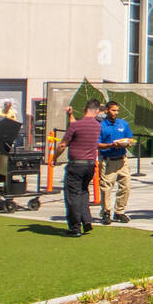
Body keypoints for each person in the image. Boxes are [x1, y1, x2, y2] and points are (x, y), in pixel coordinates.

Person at [56, 98, 103, 236]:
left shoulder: (76, 126)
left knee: (72, 196)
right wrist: (70, 115)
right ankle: (86, 220)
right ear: (97, 111)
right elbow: (77, 126)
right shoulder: (97, 126)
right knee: (83, 192)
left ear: (84, 109)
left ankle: (74, 228)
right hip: (90, 165)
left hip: (76, 164)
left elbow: (63, 144)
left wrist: (54, 158)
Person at [97, 100, 134, 225]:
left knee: (126, 186)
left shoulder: (123, 123)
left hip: (122, 159)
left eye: (117, 110)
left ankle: (119, 211)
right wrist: (111, 145)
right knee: (106, 187)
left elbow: (130, 139)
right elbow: (98, 144)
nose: (116, 113)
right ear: (106, 110)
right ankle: (106, 211)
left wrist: (127, 142)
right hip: (108, 160)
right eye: (113, 110)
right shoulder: (101, 126)